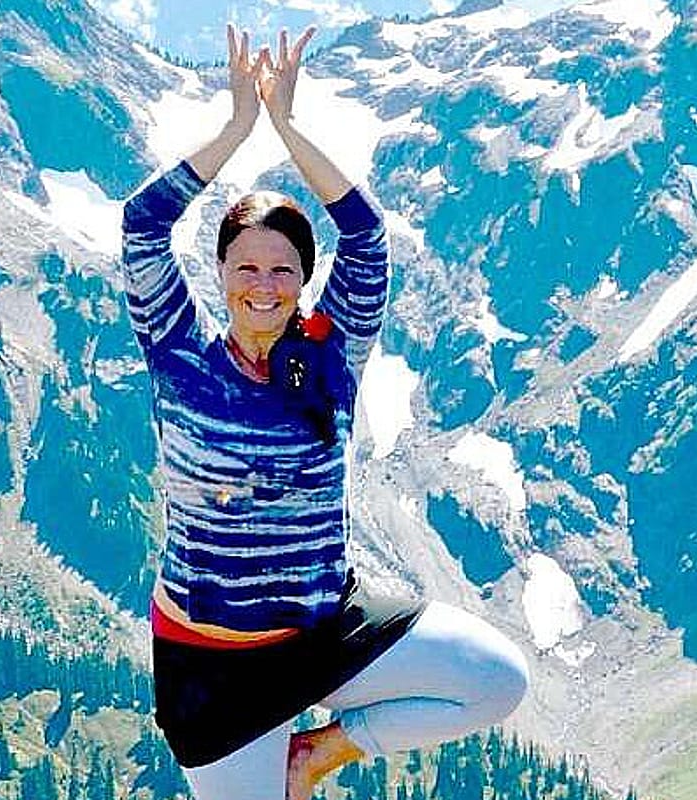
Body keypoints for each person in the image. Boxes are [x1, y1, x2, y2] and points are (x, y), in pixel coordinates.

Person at [119, 23, 531, 800]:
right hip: (215, 667)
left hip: (325, 629)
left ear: (305, 279)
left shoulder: (331, 358)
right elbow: (142, 225)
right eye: (247, 267)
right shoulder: (178, 355)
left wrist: (288, 127)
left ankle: (322, 751)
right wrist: (236, 127)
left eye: (283, 269)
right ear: (220, 274)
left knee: (497, 680)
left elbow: (368, 238)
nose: (265, 285)